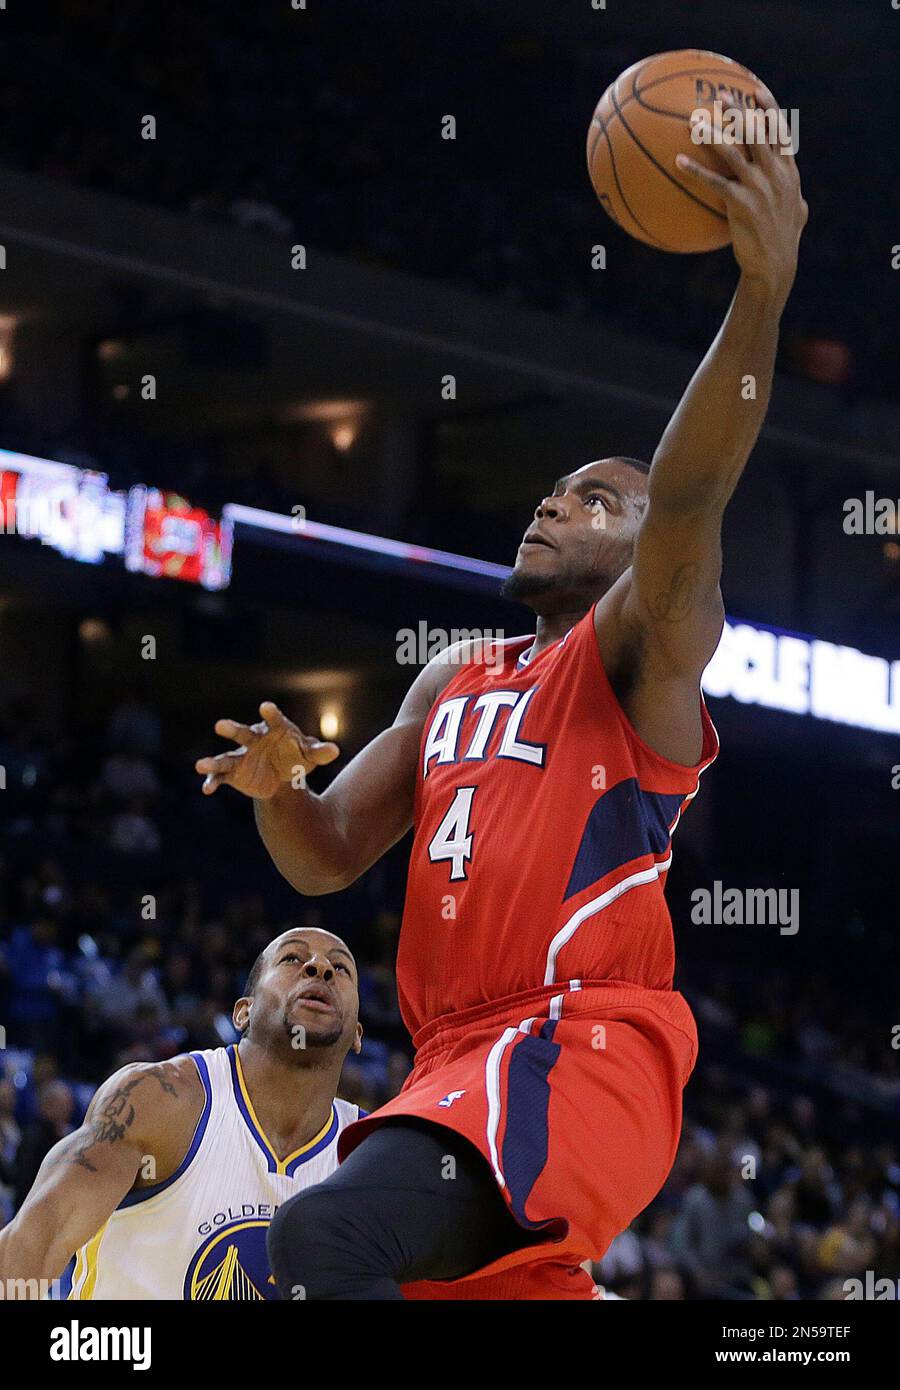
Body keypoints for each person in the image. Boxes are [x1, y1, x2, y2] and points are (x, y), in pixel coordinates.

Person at [196, 122, 807, 1300]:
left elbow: (688, 493)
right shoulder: (453, 680)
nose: (553, 500)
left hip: (575, 1048)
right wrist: (281, 793)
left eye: (594, 499)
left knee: (325, 1241)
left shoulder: (637, 654)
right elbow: (323, 859)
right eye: (556, 489)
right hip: (454, 1065)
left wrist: (761, 297)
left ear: (641, 553)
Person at [0, 929, 364, 1299]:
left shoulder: (369, 1156)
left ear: (357, 1034)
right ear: (244, 1011)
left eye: (340, 967)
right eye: (292, 959)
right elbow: (33, 1244)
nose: (320, 967)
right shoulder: (159, 1100)